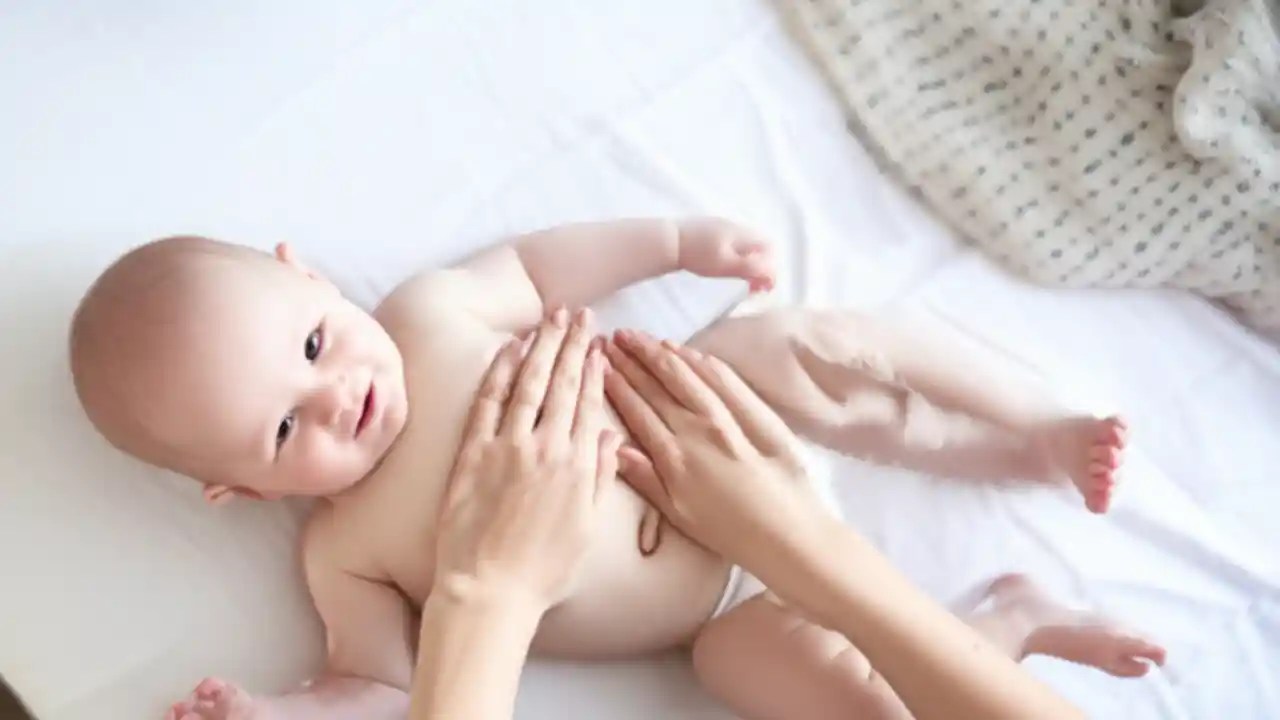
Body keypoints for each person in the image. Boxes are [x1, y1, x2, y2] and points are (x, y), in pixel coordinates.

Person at [66, 220, 1161, 720]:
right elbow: (388, 687)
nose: (335, 395)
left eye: (312, 346)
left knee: (802, 344)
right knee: (841, 704)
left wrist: (672, 245)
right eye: (282, 433)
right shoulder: (343, 550)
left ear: (301, 271)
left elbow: (536, 266)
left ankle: (1029, 432)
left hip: (702, 400)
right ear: (243, 495)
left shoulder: (426, 313)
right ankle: (1010, 625)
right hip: (724, 607)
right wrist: (278, 712)